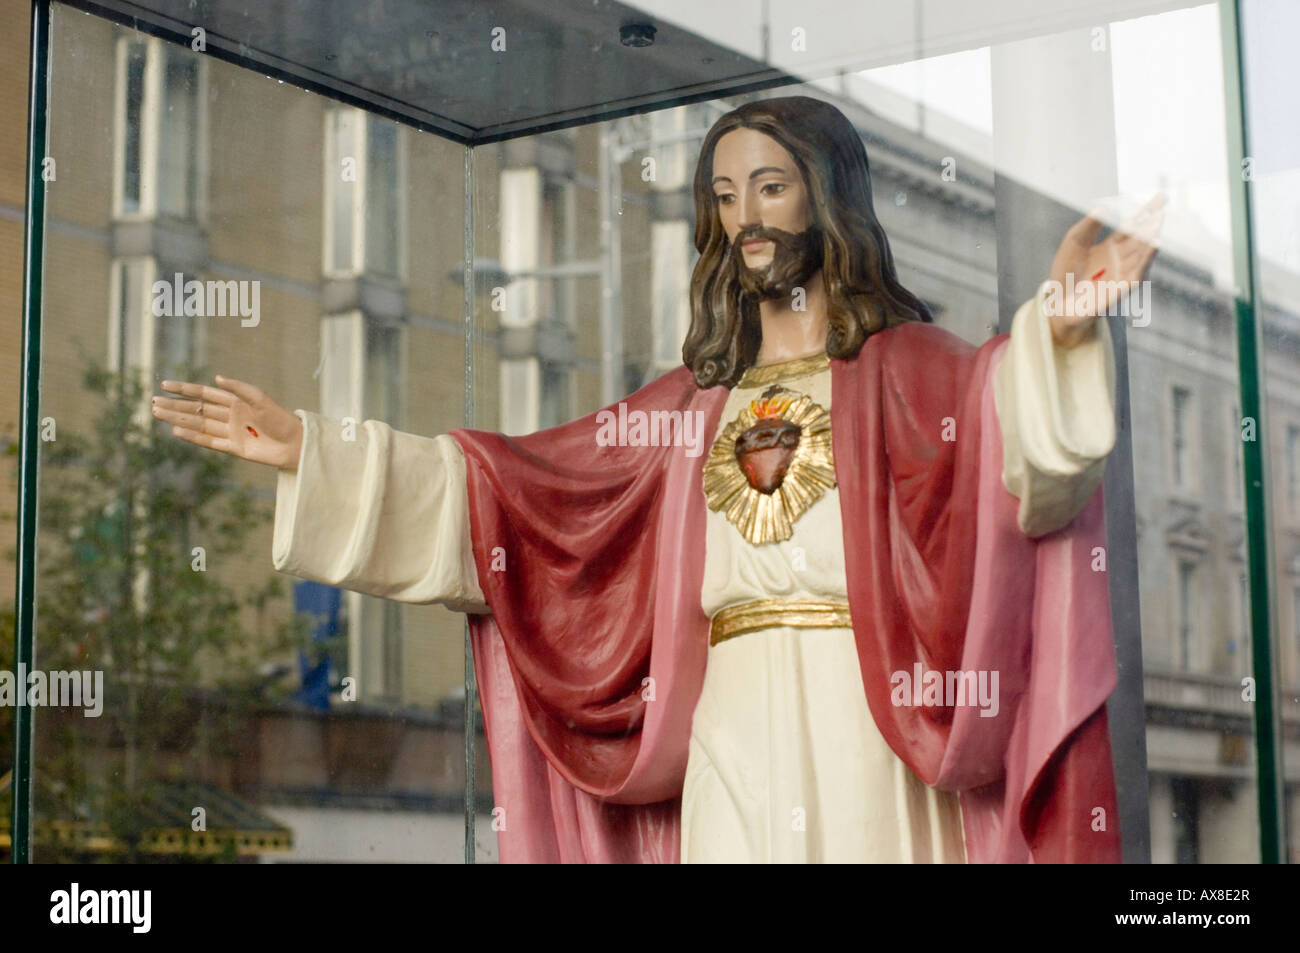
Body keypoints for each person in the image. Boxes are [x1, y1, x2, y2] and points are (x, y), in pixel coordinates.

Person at [152, 96, 1163, 863]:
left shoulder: (916, 372)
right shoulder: (685, 410)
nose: (745, 218)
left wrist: (1058, 328)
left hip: (869, 709)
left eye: (769, 185)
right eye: (724, 197)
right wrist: (316, 451)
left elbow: (1020, 454)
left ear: (826, 192)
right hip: (731, 713)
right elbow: (518, 496)